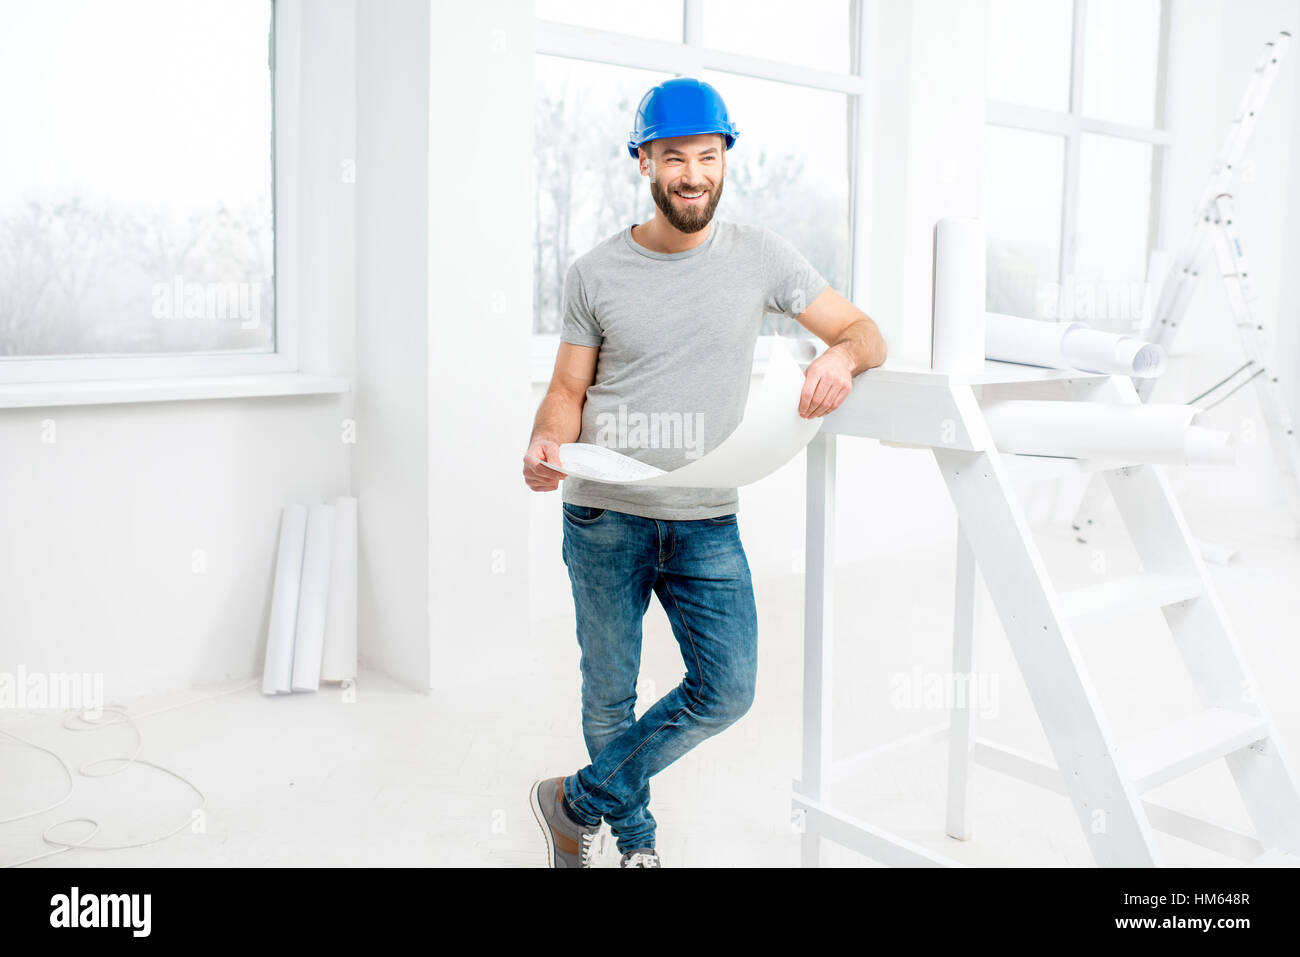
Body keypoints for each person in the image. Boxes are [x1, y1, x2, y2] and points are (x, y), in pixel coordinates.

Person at [524, 77, 887, 868]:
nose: (694, 174)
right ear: (644, 162)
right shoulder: (593, 272)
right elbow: (566, 389)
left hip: (704, 516)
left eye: (709, 156)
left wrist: (843, 352)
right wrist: (546, 442)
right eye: (675, 157)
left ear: (726, 160)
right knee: (609, 693)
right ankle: (637, 842)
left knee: (726, 689)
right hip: (603, 514)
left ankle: (574, 799)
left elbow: (865, 330)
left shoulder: (761, 257)